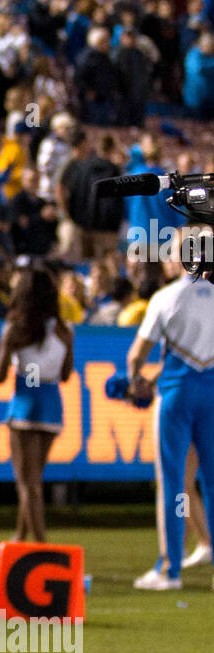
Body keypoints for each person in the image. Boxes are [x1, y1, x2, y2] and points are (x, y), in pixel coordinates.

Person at [127, 233, 214, 590]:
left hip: (177, 396)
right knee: (211, 482)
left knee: (174, 483)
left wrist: (135, 381)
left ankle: (170, 570)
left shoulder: (167, 297)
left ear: (182, 258)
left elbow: (137, 354)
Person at [0, 265, 74, 544]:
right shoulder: (65, 330)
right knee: (34, 480)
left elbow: (0, 375)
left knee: (27, 484)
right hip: (52, 407)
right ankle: (20, 537)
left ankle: (41, 545)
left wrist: (8, 350)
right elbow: (65, 375)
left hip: (24, 407)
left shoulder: (15, 329)